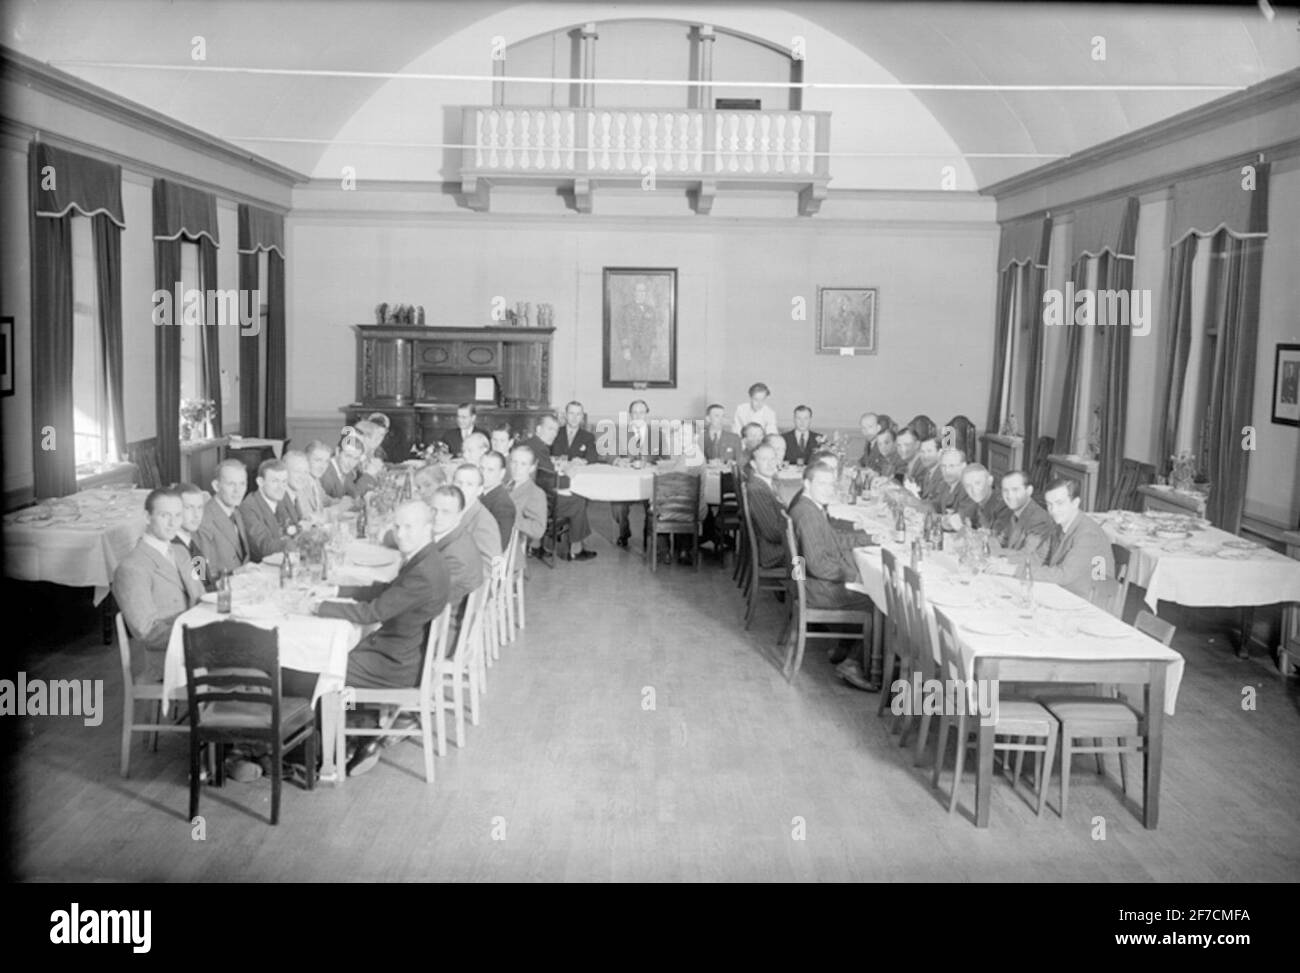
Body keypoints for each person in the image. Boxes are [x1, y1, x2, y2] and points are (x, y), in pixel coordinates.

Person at [312, 500, 451, 777]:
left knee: (324, 669)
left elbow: (372, 613)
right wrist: (338, 589)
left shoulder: (423, 572)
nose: (400, 534)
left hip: (395, 664)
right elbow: (387, 591)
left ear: (428, 527)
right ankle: (358, 732)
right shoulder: (428, 558)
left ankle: (328, 755)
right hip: (405, 653)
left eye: (409, 527)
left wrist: (319, 606)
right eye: (397, 526)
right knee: (339, 659)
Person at [788, 464, 878, 692]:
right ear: (807, 484)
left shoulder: (809, 507)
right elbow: (819, 566)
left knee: (870, 588)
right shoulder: (808, 515)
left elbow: (832, 540)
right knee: (879, 603)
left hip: (811, 583)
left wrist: (867, 538)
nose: (829, 489)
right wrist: (855, 575)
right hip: (818, 589)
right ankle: (854, 662)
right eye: (822, 483)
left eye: (832, 484)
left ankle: (845, 646)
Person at [112, 488, 206, 683]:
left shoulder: (182, 552)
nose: (173, 523)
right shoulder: (132, 568)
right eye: (165, 516)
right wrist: (204, 636)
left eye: (178, 515)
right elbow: (148, 632)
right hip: (169, 662)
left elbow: (201, 597)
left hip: (200, 649)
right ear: (147, 517)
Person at [992, 478, 1114, 598]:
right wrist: (1005, 561)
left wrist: (1013, 570)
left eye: (1059, 503)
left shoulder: (1088, 534)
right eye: (1049, 505)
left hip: (1088, 599)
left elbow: (1063, 575)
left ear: (1075, 503)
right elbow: (1038, 558)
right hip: (1063, 591)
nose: (1053, 510)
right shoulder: (1059, 525)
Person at [528, 414, 597, 560]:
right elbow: (550, 480)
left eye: (555, 430)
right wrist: (569, 476)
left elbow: (545, 473)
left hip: (533, 494)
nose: (553, 433)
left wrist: (560, 470)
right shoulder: (540, 448)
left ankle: (535, 546)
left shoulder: (532, 443)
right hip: (539, 501)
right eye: (549, 429)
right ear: (539, 429)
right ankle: (576, 550)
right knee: (578, 500)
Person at [611, 399, 662, 548]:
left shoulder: (657, 433)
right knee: (617, 506)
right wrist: (616, 460)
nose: (638, 415)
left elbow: (666, 457)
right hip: (626, 481)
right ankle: (624, 532)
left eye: (642, 412)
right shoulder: (619, 433)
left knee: (653, 506)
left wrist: (652, 462)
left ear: (647, 414)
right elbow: (607, 454)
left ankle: (649, 532)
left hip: (649, 481)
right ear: (629, 415)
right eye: (635, 412)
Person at [429, 485, 486, 607]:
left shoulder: (455, 557)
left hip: (444, 620)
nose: (437, 517)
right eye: (433, 510)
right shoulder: (458, 534)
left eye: (446, 512)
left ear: (460, 515)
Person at [196, 459, 251, 577]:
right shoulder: (203, 521)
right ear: (216, 486)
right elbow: (201, 575)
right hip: (220, 591)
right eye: (231, 484)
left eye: (242, 484)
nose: (238, 491)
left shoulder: (236, 512)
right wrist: (235, 573)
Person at [239, 459, 300, 562]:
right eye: (275, 481)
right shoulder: (248, 508)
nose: (281, 487)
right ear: (260, 482)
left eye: (284, 481)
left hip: (287, 559)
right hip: (263, 568)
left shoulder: (282, 495)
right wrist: (299, 542)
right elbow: (264, 547)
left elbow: (295, 526)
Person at [451, 464, 504, 575]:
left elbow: (493, 567)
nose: (462, 488)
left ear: (479, 490)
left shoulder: (484, 522)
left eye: (469, 484)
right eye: (458, 483)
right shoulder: (454, 511)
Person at [993, 470, 1054, 563]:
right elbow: (1000, 540)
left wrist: (996, 552)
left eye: (1015, 490)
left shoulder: (1039, 519)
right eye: (1005, 490)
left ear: (1029, 491)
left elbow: (1027, 555)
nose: (1009, 495)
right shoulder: (1014, 511)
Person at [744, 444, 789, 570]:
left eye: (773, 459)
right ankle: (798, 586)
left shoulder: (768, 483)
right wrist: (800, 534)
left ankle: (800, 586)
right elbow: (772, 533)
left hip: (779, 546)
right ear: (753, 464)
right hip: (774, 553)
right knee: (812, 553)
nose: (770, 464)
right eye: (764, 460)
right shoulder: (757, 489)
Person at [320, 428, 378, 501]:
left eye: (356, 458)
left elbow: (354, 494)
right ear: (338, 451)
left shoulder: (345, 471)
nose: (351, 463)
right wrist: (368, 475)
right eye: (348, 456)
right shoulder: (325, 475)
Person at [948, 464, 1008, 532]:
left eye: (977, 483)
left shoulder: (1003, 505)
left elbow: (996, 539)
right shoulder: (978, 502)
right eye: (968, 486)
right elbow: (959, 517)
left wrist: (964, 529)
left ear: (990, 481)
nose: (973, 490)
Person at [171, 482, 210, 588]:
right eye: (188, 508)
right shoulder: (172, 547)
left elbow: (204, 582)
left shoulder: (191, 543)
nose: (196, 515)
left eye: (200, 508)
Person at [508, 444, 548, 545]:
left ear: (532, 468)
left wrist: (509, 517)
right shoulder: (507, 485)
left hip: (514, 544)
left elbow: (538, 530)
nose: (517, 468)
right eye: (514, 462)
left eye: (523, 464)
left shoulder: (536, 494)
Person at [478, 450, 517, 548]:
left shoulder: (503, 505)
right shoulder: (481, 495)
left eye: (490, 470)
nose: (483, 474)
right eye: (481, 468)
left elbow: (500, 545)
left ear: (502, 473)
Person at [284, 449, 326, 524]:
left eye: (306, 472)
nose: (302, 477)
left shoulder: (297, 493)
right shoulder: (279, 498)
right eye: (297, 471)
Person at [926, 448, 967, 514]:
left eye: (952, 466)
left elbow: (959, 520)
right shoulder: (945, 485)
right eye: (943, 466)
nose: (947, 471)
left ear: (963, 466)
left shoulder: (968, 490)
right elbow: (935, 505)